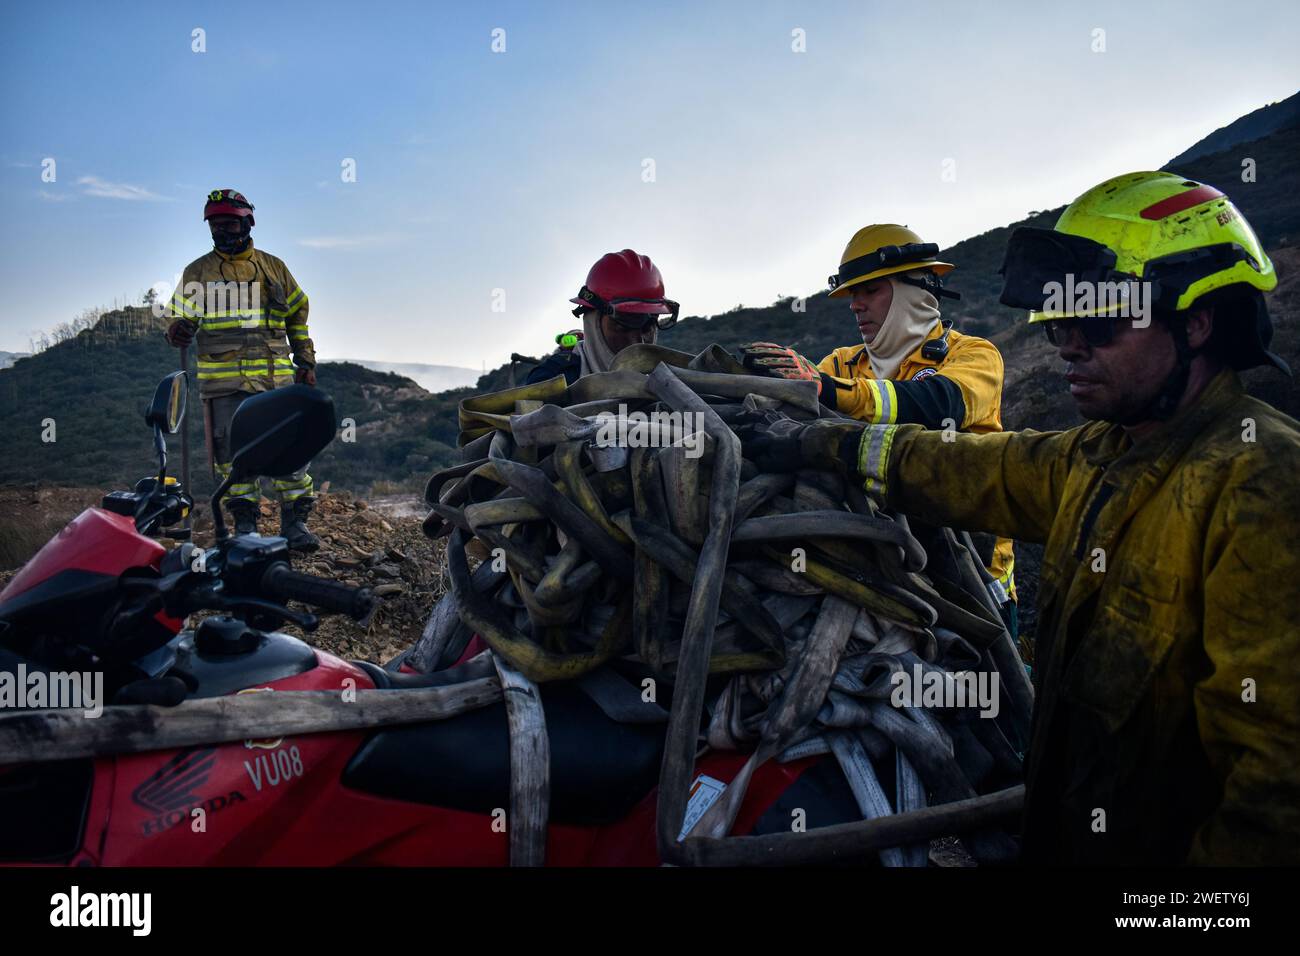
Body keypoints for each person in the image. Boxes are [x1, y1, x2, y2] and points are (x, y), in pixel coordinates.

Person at [743, 171, 1300, 864]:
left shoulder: (1264, 480)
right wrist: (818, 440)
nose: (1067, 344)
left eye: (1095, 322)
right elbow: (959, 467)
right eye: (1060, 322)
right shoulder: (1098, 455)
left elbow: (1273, 789)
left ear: (1196, 321)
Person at [738, 225, 1017, 634]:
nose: (856, 305)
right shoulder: (842, 363)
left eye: (870, 290)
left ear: (914, 290)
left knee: (993, 691)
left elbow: (938, 405)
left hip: (975, 583)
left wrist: (831, 390)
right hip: (890, 571)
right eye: (852, 294)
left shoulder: (974, 354)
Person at [164, 189, 321, 551]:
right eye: (215, 225)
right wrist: (178, 329)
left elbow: (298, 316)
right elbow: (178, 318)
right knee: (233, 459)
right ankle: (245, 528)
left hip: (276, 381)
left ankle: (294, 526)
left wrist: (306, 361)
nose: (222, 231)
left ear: (248, 222)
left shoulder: (274, 267)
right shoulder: (198, 272)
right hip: (224, 386)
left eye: (229, 223)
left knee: (289, 451)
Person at [526, 249, 678, 385]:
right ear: (593, 325)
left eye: (647, 328)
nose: (637, 343)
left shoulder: (672, 380)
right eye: (622, 327)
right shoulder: (552, 378)